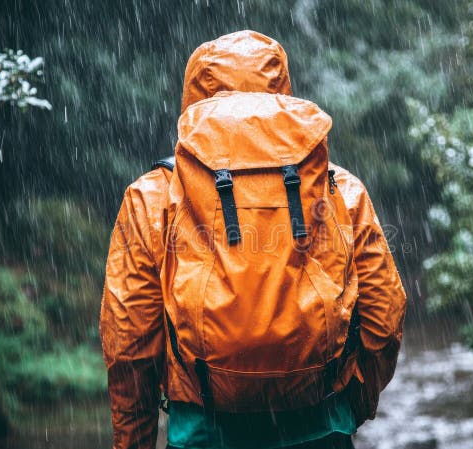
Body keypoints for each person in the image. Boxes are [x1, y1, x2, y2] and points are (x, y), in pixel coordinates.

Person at [100, 30, 407, 449]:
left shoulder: (153, 196)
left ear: (193, 98)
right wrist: (351, 403)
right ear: (283, 94)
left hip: (203, 433)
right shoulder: (338, 188)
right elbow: (384, 317)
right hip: (322, 426)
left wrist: (133, 442)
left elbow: (129, 341)